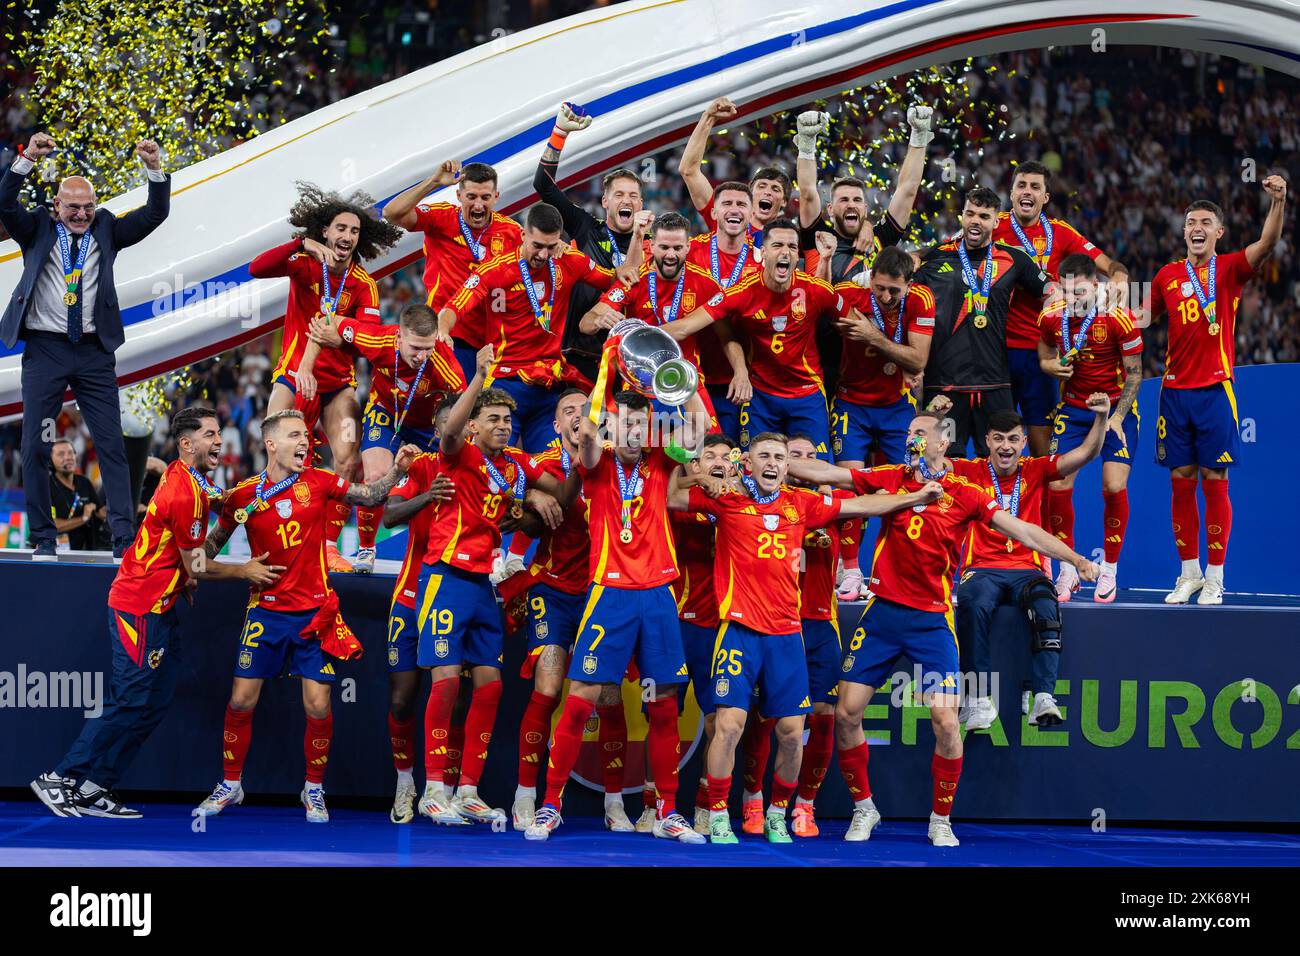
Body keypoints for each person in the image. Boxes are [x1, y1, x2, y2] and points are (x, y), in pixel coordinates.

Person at [788, 407, 1099, 847]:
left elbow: (1025, 531)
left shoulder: (966, 493)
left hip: (931, 622)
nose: (910, 438)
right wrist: (776, 462)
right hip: (881, 616)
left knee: (946, 722)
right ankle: (864, 809)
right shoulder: (892, 478)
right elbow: (828, 473)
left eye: (918, 432)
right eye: (908, 432)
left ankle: (940, 818)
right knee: (846, 713)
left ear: (940, 443)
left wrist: (1075, 559)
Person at [670, 431, 937, 844]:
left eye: (780, 456)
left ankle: (779, 812)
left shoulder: (802, 504)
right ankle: (720, 812)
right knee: (729, 725)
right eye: (765, 456)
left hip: (786, 635)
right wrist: (696, 474)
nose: (774, 462)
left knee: (793, 731)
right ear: (749, 463)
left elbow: (860, 504)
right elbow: (670, 498)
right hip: (738, 632)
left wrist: (912, 499)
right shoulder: (728, 502)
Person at [30, 407, 281, 819]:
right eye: (210, 434)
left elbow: (192, 540)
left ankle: (96, 786)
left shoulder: (190, 478)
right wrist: (245, 570)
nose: (219, 440)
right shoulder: (185, 492)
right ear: (187, 443)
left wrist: (184, 580)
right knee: (131, 697)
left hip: (161, 606)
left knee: (157, 697)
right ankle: (59, 778)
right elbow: (196, 563)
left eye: (219, 433)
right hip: (139, 605)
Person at [194, 410, 418, 823]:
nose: (305, 442)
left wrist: (398, 472)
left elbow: (368, 497)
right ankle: (230, 783)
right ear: (271, 443)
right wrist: (238, 571)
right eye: (295, 435)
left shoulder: (319, 481)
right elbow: (204, 553)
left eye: (307, 435)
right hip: (265, 612)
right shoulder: (242, 496)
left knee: (317, 706)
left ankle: (313, 789)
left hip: (315, 613)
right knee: (241, 700)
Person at [524, 383, 711, 843]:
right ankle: (550, 805)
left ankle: (667, 810)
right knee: (580, 699)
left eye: (639, 424)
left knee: (665, 704)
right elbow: (587, 440)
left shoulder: (662, 458)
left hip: (659, 592)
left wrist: (683, 378)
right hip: (609, 593)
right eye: (622, 423)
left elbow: (699, 431)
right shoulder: (597, 461)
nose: (631, 432)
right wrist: (606, 371)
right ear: (609, 426)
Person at [411, 346, 577, 825]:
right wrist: (479, 378)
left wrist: (579, 457)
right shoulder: (458, 454)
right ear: (474, 427)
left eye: (508, 418)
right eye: (495, 419)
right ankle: (433, 789)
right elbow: (444, 433)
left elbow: (563, 495)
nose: (505, 425)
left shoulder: (517, 463)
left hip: (484, 584)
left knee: (489, 686)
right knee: (444, 681)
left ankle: (467, 790)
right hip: (445, 577)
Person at [1, 132, 171, 559]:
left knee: (111, 444)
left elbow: (154, 213)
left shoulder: (108, 228)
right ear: (56, 205)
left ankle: (122, 538)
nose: (80, 214)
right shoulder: (37, 226)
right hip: (45, 351)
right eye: (72, 206)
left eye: (87, 207)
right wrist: (25, 161)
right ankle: (42, 537)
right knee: (35, 445)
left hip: (94, 353)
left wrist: (154, 168)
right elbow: (4, 204)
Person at [1149, 176, 1287, 605]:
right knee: (1180, 482)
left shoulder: (1229, 268)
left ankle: (1215, 577)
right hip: (1173, 393)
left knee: (1215, 480)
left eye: (1205, 221)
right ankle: (1187, 573)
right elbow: (1138, 320)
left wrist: (1278, 202)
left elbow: (1266, 243)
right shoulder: (1167, 276)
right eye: (1191, 221)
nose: (1197, 227)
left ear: (1218, 232)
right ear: (1184, 229)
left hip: (1214, 391)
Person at [253, 182, 401, 572]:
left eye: (354, 231)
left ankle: (330, 546)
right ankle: (269, 540)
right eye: (340, 229)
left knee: (348, 458)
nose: (347, 237)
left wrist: (343, 334)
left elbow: (365, 344)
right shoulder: (304, 264)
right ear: (325, 232)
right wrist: (298, 244)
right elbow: (256, 268)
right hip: (292, 376)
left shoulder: (364, 286)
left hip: (337, 387)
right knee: (273, 449)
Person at [507, 388, 632, 833]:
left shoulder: (619, 464)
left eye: (587, 409)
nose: (580, 415)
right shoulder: (540, 464)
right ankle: (526, 795)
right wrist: (527, 501)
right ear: (556, 426)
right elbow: (502, 491)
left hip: (605, 592)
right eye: (568, 412)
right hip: (554, 588)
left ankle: (615, 803)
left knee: (609, 694)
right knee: (549, 685)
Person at [941, 401, 1109, 730]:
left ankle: (1043, 698)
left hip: (1027, 570)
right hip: (982, 569)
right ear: (987, 440)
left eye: (1013, 439)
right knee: (972, 604)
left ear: (1024, 442)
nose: (1006, 446)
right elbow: (929, 462)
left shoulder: (1036, 469)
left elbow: (1087, 453)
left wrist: (1102, 417)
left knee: (1046, 604)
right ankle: (976, 701)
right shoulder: (967, 471)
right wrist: (932, 419)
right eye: (999, 438)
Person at [435, 203, 637, 454]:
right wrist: (443, 330)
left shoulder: (570, 261)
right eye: (537, 246)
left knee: (557, 466)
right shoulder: (495, 270)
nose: (543, 254)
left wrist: (605, 305)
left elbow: (613, 279)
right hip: (505, 383)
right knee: (492, 460)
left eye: (551, 246)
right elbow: (453, 307)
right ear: (523, 236)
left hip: (549, 387)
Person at [305, 302, 466, 572]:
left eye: (428, 348)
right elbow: (327, 320)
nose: (422, 356)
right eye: (415, 348)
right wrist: (305, 369)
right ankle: (367, 548)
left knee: (451, 482)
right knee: (375, 475)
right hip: (385, 413)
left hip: (427, 425)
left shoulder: (444, 363)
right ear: (399, 336)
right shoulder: (377, 338)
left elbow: (464, 406)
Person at [663, 218, 844, 457]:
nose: (785, 252)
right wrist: (634, 336)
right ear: (763, 253)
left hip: (807, 393)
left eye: (791, 247)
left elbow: (855, 323)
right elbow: (686, 326)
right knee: (753, 468)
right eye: (778, 245)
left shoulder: (815, 289)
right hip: (760, 394)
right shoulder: (742, 291)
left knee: (816, 470)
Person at [994, 161, 1129, 456]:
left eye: (1035, 187)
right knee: (998, 439)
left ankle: (1041, 504)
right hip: (998, 351)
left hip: (1044, 355)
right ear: (1012, 192)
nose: (1027, 192)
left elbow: (1107, 264)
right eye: (1021, 185)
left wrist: (1119, 274)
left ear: (1046, 197)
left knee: (1043, 450)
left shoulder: (1060, 232)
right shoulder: (994, 226)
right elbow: (950, 248)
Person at [911, 185, 1050, 457]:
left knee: (1003, 464)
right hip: (944, 386)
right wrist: (912, 257)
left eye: (984, 216)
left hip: (995, 385)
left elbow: (1050, 291)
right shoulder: (935, 256)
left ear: (996, 222)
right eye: (970, 213)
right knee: (939, 461)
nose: (976, 220)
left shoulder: (1015, 259)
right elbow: (902, 278)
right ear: (961, 217)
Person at [830, 246, 936, 600]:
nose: (886, 296)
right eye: (879, 288)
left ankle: (898, 568)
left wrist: (875, 337)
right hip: (852, 403)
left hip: (896, 407)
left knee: (905, 490)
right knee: (848, 485)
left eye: (894, 290)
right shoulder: (850, 294)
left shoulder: (921, 300)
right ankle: (851, 569)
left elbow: (919, 360)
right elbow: (815, 300)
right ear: (870, 278)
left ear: (909, 284)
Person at [1038, 254, 1144, 602]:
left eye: (1080, 292)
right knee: (1057, 483)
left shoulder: (1120, 318)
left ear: (1096, 286)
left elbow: (1135, 373)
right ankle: (1067, 570)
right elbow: (1044, 353)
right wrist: (1051, 366)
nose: (1074, 300)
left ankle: (1109, 569)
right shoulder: (1052, 316)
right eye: (1067, 293)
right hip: (1074, 408)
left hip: (1115, 408)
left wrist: (1116, 416)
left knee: (1113, 487)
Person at [373, 396, 457, 824]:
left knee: (452, 693)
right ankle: (406, 782)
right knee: (404, 699)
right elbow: (388, 516)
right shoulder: (423, 465)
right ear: (438, 431)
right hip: (410, 598)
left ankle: (447, 788)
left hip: (456, 598)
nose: (455, 433)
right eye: (446, 427)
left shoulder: (483, 467)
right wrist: (428, 495)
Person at [535, 102, 648, 382]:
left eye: (633, 196)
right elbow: (543, 186)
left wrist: (639, 235)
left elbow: (631, 281)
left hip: (631, 362)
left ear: (642, 203)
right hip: (578, 356)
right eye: (619, 195)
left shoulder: (655, 243)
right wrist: (559, 134)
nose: (627, 201)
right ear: (605, 201)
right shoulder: (585, 226)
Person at [381, 159, 522, 380]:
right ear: (459, 196)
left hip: (495, 342)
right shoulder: (442, 218)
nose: (478, 205)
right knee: (454, 408)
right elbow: (391, 214)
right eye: (471, 197)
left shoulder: (512, 232)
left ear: (496, 197)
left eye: (485, 197)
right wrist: (433, 182)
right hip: (449, 336)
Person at [668, 433, 737, 833]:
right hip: (678, 623)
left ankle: (705, 805)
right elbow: (666, 493)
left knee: (718, 724)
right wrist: (697, 479)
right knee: (663, 717)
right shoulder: (683, 497)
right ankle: (654, 804)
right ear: (693, 463)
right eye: (706, 455)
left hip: (724, 629)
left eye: (724, 457)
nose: (715, 461)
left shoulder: (743, 501)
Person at [799, 106, 934, 285]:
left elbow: (907, 189)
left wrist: (919, 136)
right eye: (843, 200)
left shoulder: (880, 239)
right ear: (830, 209)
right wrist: (806, 145)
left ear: (865, 208)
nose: (851, 204)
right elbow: (808, 192)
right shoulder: (818, 237)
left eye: (857, 200)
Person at [683, 182, 761, 438]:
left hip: (741, 381)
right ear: (713, 212)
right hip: (691, 376)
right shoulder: (689, 251)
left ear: (751, 214)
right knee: (691, 457)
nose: (734, 210)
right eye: (727, 203)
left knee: (732, 456)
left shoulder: (763, 261)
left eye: (741, 204)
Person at [679, 97, 809, 245]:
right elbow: (688, 170)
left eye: (775, 189)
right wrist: (708, 118)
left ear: (784, 201)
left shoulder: (790, 240)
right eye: (761, 186)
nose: (767, 192)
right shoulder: (725, 220)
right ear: (749, 195)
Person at [48, 438, 108, 551]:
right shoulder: (46, 487)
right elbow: (53, 525)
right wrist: (83, 518)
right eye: (61, 454)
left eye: (71, 453)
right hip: (55, 553)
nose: (68, 457)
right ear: (50, 461)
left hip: (83, 551)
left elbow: (100, 512)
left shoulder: (84, 482)